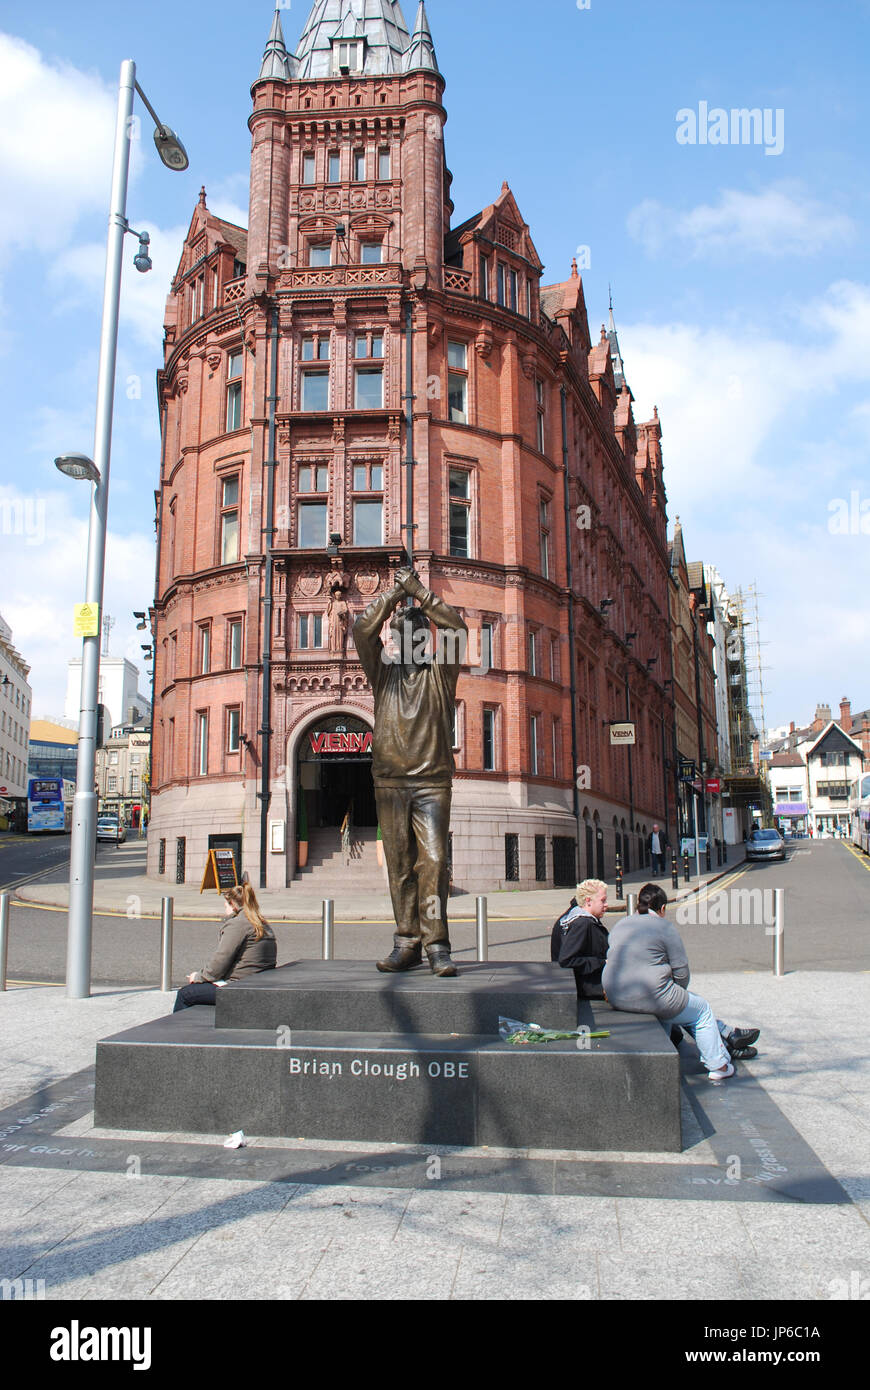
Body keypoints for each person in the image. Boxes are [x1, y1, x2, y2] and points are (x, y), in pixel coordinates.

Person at [354, 565, 467, 977]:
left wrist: (418, 592)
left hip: (432, 782)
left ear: (427, 638)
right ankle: (407, 942)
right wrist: (390, 597)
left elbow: (457, 628)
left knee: (433, 862)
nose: (411, 639)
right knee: (400, 865)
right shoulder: (382, 673)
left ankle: (437, 945)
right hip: (389, 781)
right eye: (402, 633)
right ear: (395, 640)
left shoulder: (441, 672)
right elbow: (361, 631)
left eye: (418, 632)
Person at [602, 882, 760, 1081]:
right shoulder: (664, 927)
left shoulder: (621, 924)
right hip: (652, 996)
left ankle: (725, 1038)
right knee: (701, 1010)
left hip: (615, 994)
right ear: (662, 909)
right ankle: (718, 1064)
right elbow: (682, 972)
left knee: (677, 1006)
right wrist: (678, 992)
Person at [173, 882, 277, 1011]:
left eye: (225, 906)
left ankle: (178, 1031)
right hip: (258, 983)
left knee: (186, 994)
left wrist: (198, 977)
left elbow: (220, 961)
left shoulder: (238, 924)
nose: (225, 911)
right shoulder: (261, 923)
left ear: (233, 905)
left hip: (239, 986)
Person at [550, 878, 609, 1000]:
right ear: (588, 901)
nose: (606, 904)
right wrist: (602, 962)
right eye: (603, 901)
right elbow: (567, 959)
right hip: (587, 986)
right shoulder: (582, 924)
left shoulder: (573, 916)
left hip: (581, 983)